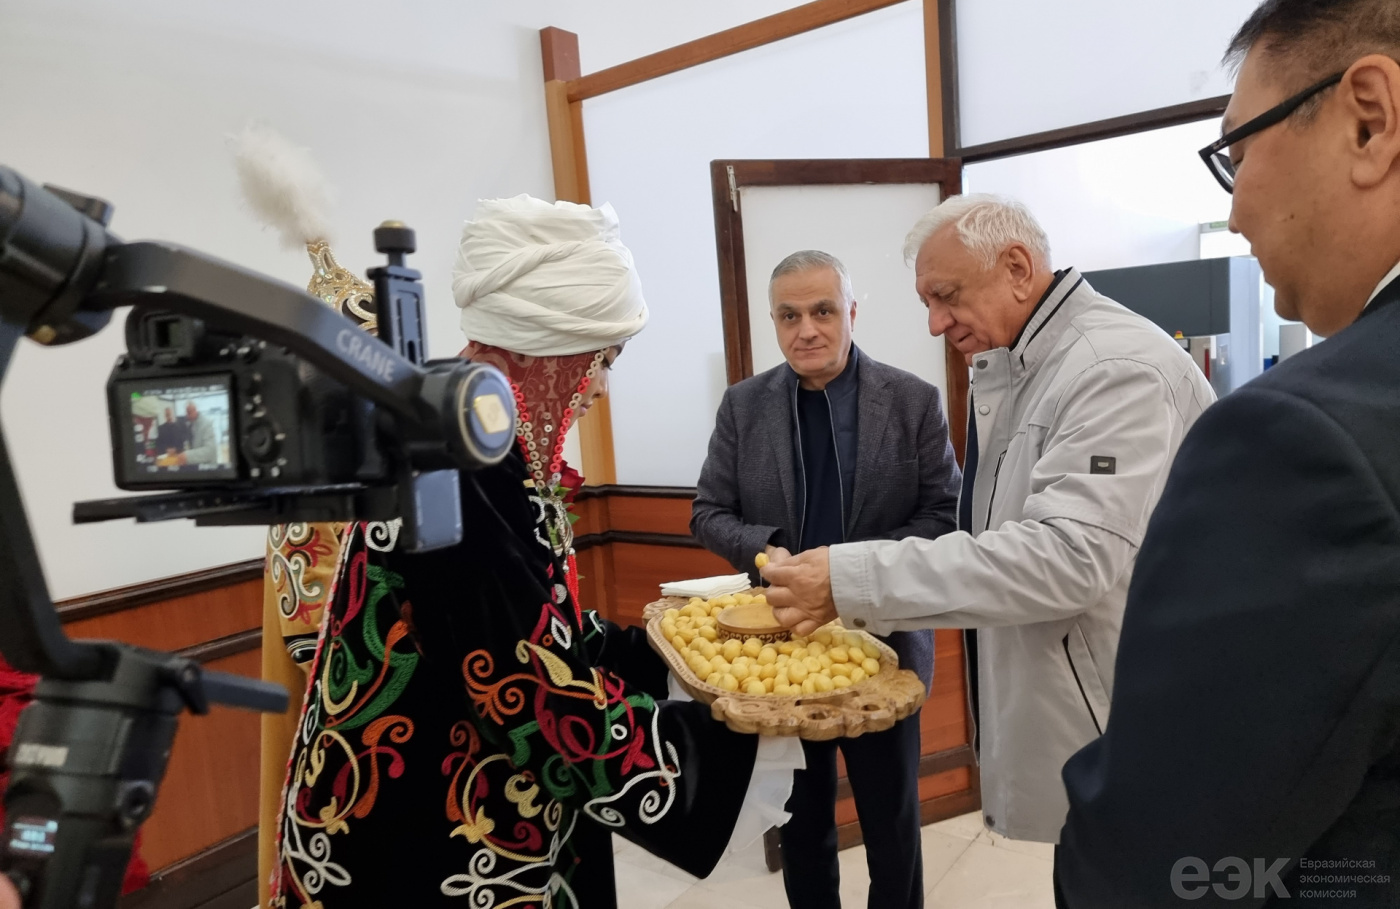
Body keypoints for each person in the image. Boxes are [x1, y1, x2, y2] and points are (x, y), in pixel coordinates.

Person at [272, 196, 784, 909]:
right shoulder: (464, 455)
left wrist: (667, 655)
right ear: (545, 349)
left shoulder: (469, 424)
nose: (599, 388)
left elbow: (532, 615)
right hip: (418, 820)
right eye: (600, 360)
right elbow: (524, 683)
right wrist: (734, 738)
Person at [1056, 1, 1400, 904]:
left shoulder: (1300, 441)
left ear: (1369, 120)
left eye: (1236, 155)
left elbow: (1155, 861)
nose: (1237, 209)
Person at [761, 195, 1215, 844]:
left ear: (1018, 269)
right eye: (926, 302)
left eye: (946, 297)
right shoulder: (1019, 367)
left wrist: (849, 578)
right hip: (1081, 717)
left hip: (1128, 726)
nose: (934, 324)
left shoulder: (1114, 371)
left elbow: (1066, 558)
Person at [692, 250, 960, 909]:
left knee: (891, 824)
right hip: (781, 652)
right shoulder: (743, 406)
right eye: (789, 316)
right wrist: (766, 550)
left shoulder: (914, 401)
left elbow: (945, 512)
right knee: (801, 825)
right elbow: (708, 513)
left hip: (883, 647)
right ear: (773, 322)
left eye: (822, 311)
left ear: (851, 313)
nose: (806, 329)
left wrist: (852, 571)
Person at [177, 401, 217, 466]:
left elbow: (210, 451)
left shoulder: (206, 425)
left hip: (208, 468)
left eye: (189, 412)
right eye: (186, 412)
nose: (187, 416)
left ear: (195, 411)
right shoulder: (191, 425)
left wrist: (188, 456)